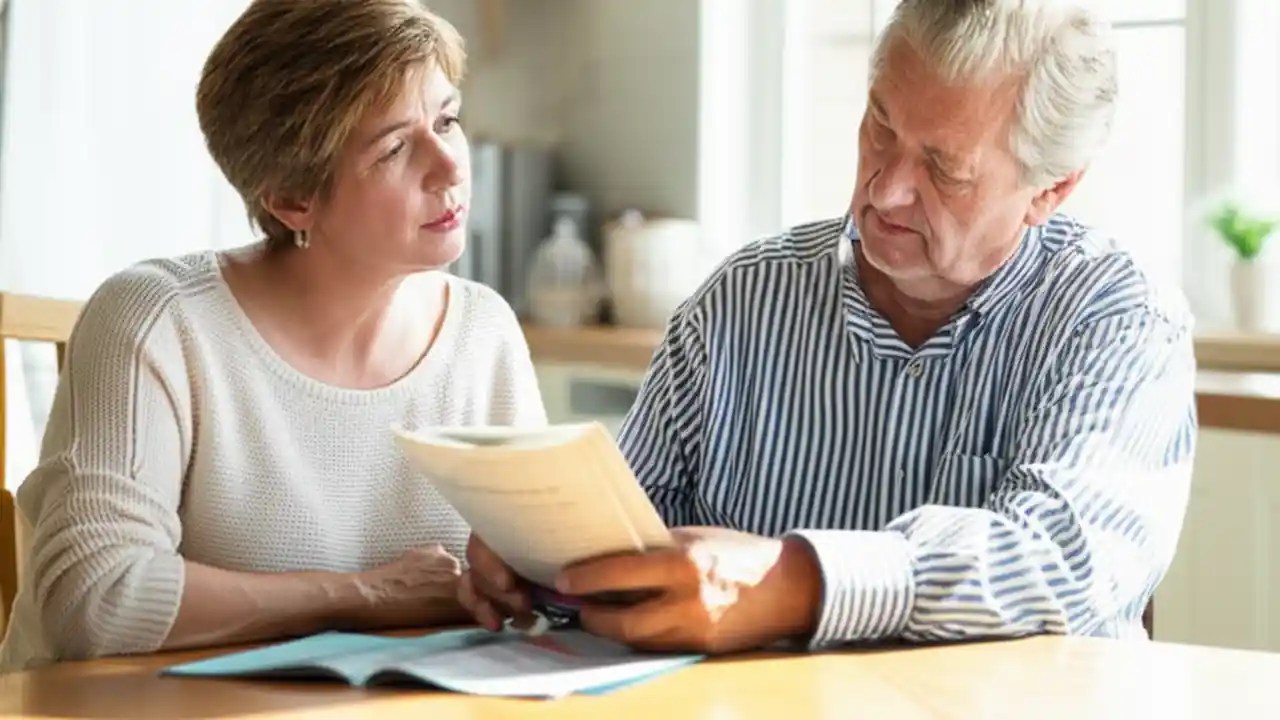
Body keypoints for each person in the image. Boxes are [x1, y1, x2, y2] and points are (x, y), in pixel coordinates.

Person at [461, 0, 1196, 653]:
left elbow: (1062, 561)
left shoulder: (1117, 319)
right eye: (881, 124)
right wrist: (540, 564)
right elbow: (622, 546)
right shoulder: (739, 303)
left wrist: (798, 581)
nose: (886, 187)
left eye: (945, 167)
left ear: (1052, 190)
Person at [0, 0, 545, 671]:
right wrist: (364, 595)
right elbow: (95, 601)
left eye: (447, 120)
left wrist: (529, 581)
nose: (451, 166)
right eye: (396, 147)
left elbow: (534, 588)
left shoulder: (484, 333)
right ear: (291, 199)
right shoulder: (156, 321)